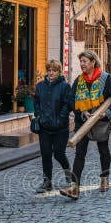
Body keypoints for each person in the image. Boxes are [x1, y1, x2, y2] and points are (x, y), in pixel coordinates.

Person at [60, 50, 111, 200]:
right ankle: (75, 187)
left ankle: (104, 178)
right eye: (81, 61)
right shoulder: (79, 81)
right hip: (84, 121)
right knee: (80, 153)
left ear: (93, 62)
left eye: (84, 62)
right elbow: (71, 100)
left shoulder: (105, 79)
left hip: (100, 121)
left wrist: (106, 114)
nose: (82, 64)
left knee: (103, 151)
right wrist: (82, 113)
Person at [33, 59, 73, 193]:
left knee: (59, 154)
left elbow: (67, 105)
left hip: (60, 128)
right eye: (49, 70)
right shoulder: (40, 86)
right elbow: (37, 102)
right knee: (45, 154)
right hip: (44, 127)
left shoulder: (65, 86)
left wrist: (61, 119)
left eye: (54, 70)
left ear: (59, 71)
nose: (51, 73)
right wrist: (39, 116)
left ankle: (68, 174)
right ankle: (47, 182)